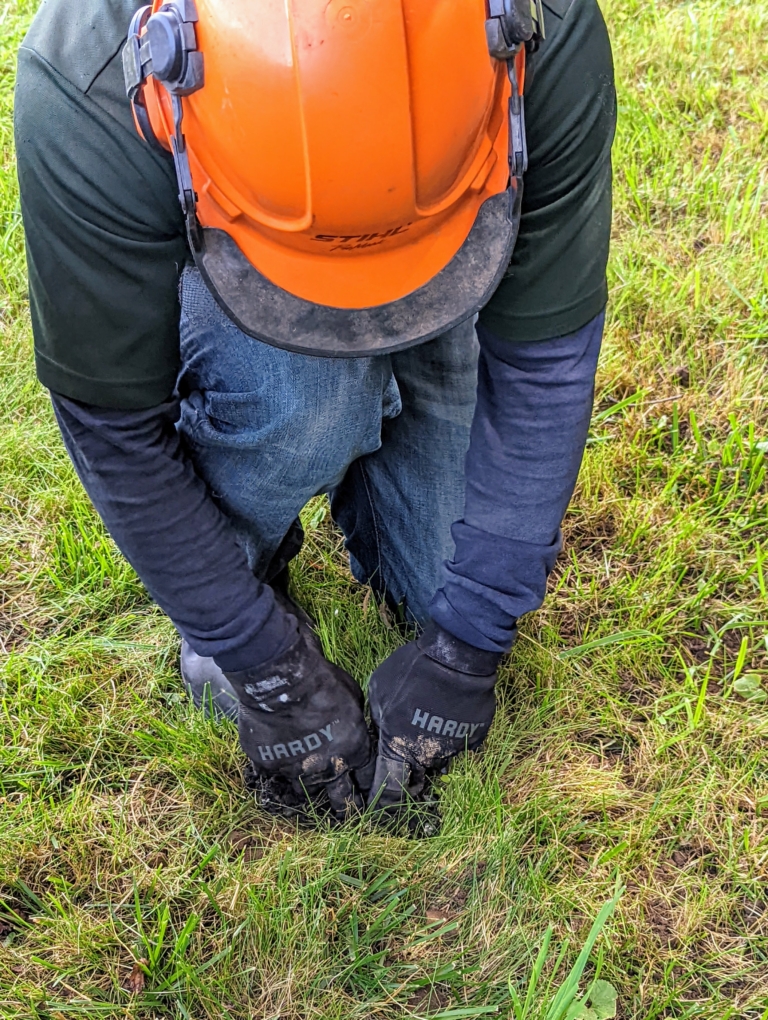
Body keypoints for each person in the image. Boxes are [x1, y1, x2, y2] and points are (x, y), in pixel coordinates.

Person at [14, 0, 615, 820]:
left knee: (449, 577)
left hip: (440, 279)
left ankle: (377, 446)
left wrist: (470, 643)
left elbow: (545, 365)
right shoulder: (84, 84)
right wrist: (260, 660)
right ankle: (249, 561)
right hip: (250, 310)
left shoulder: (537, 32)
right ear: (165, 99)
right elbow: (115, 431)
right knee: (305, 394)